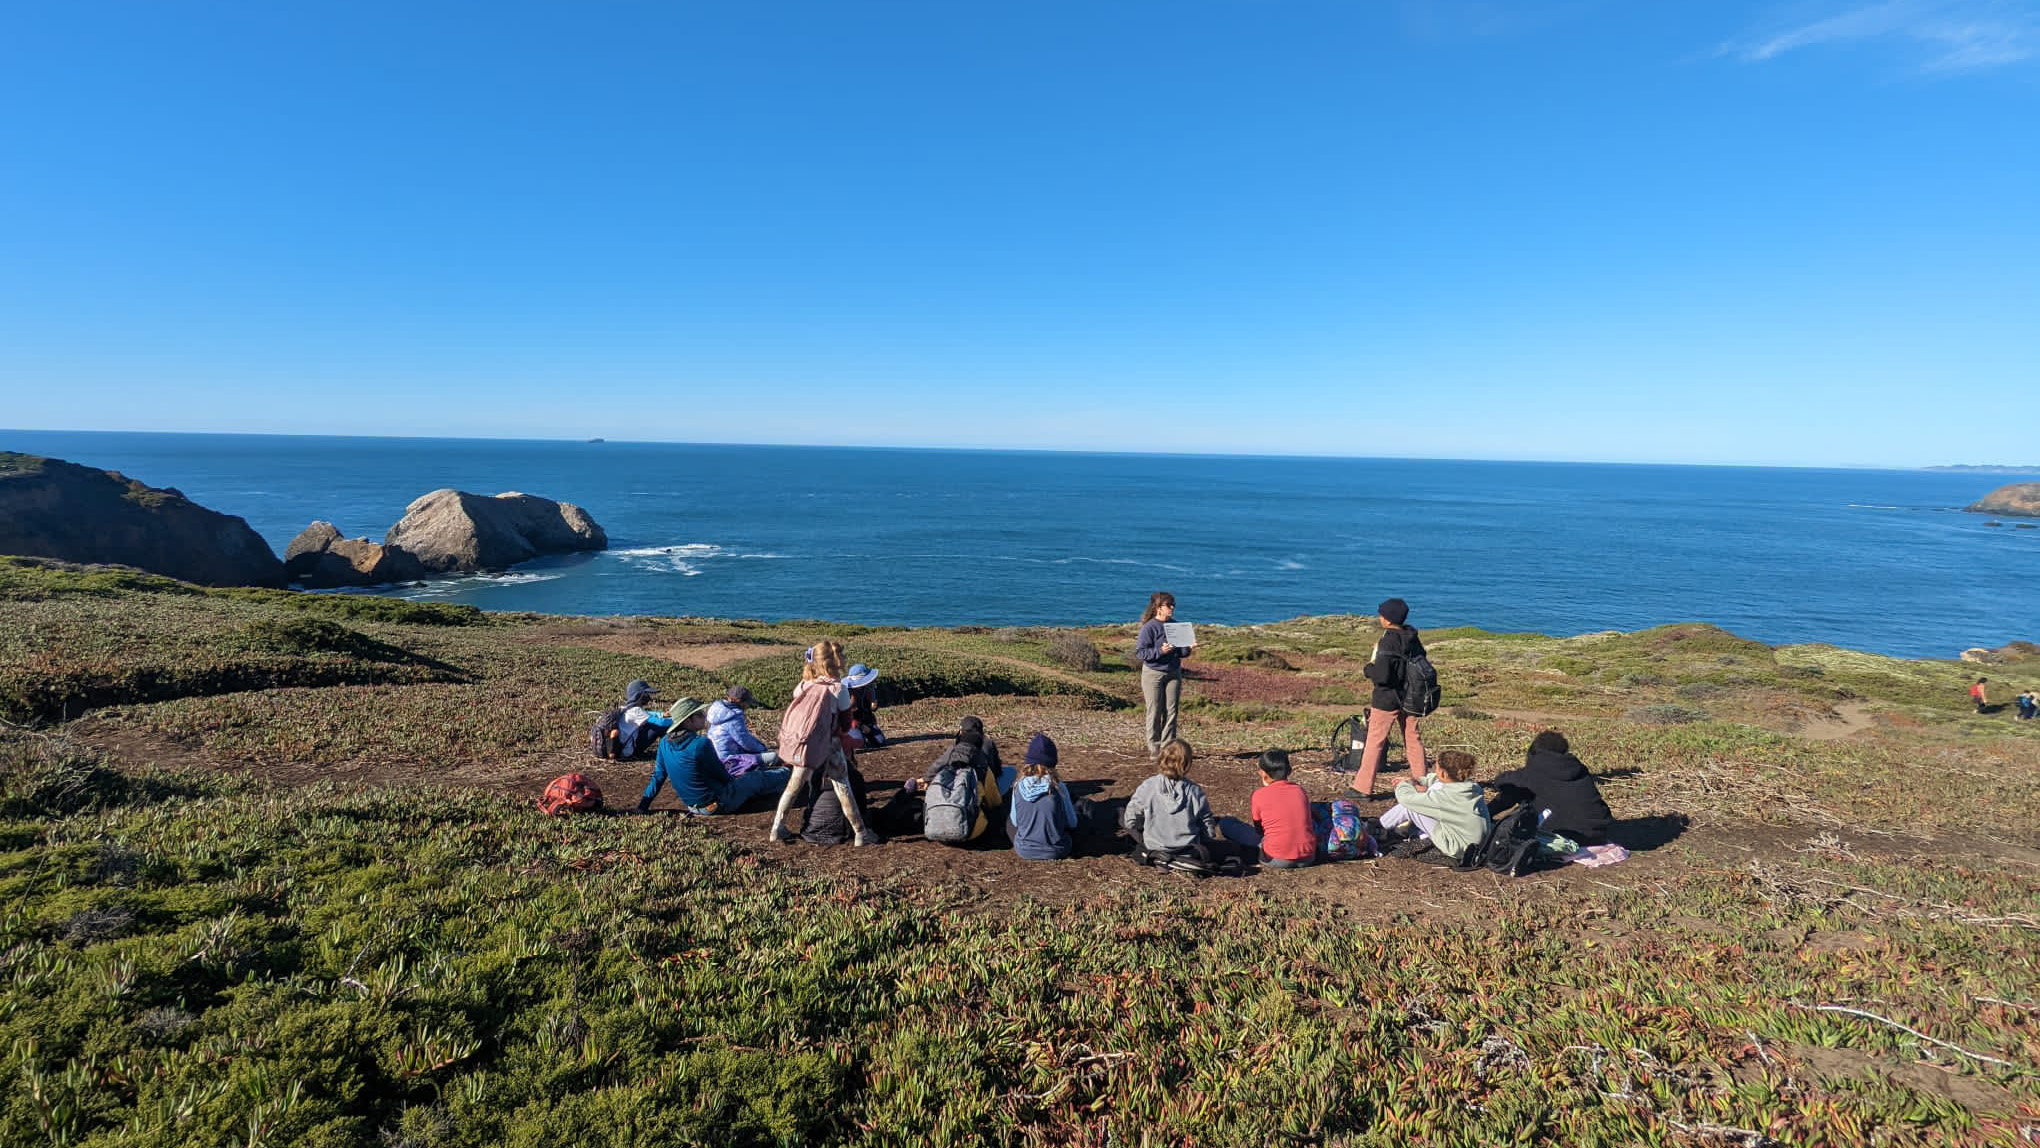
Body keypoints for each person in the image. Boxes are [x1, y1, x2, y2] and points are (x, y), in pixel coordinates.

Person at [767, 641, 883, 846]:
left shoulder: (803, 685)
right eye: (842, 655)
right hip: (830, 745)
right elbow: (845, 725)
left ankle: (777, 828)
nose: (845, 658)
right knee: (843, 788)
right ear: (834, 661)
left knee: (793, 787)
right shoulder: (838, 689)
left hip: (805, 745)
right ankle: (860, 833)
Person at [637, 697, 790, 815]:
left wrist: (643, 806)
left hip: (691, 806)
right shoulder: (700, 744)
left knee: (750, 782)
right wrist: (742, 779)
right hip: (717, 804)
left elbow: (658, 777)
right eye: (700, 714)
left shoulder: (664, 742)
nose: (705, 716)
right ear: (688, 721)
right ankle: (791, 773)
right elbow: (723, 777)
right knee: (756, 778)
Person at [1348, 597, 1429, 799]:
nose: (1379, 617)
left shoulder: (1388, 641)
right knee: (1413, 740)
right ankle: (1422, 785)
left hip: (1387, 698)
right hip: (1411, 697)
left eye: (1381, 614)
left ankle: (1362, 787)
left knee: (1375, 740)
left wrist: (1369, 668)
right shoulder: (1412, 637)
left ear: (1387, 618)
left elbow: (1382, 677)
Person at [1485, 730, 1614, 845]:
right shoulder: (1577, 767)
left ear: (1534, 751)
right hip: (1600, 832)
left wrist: (1495, 795)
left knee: (1517, 789)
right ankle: (1486, 815)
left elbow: (1503, 781)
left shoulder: (1538, 768)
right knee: (1527, 789)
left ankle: (1485, 816)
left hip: (1568, 835)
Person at [1377, 749, 1491, 864]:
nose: (1434, 771)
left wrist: (1404, 784)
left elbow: (1406, 799)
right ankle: (1395, 828)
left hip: (1459, 848)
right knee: (1432, 792)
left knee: (1411, 808)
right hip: (1475, 843)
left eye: (1436, 768)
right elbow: (1438, 781)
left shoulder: (1444, 797)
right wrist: (1417, 780)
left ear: (1443, 773)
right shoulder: (1471, 787)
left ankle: (1378, 828)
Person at [1123, 739, 1222, 864]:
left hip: (1155, 848)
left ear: (1161, 760)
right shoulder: (1194, 791)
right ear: (1187, 764)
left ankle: (1160, 858)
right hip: (1188, 850)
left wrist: (1144, 825)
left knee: (1122, 814)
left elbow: (1130, 822)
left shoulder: (1147, 787)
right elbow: (1207, 825)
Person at [922, 719, 1008, 844]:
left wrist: (925, 779)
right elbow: (994, 802)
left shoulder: (950, 756)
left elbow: (936, 766)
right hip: (968, 832)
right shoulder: (983, 763)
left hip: (934, 829)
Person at [1136, 591, 1196, 758]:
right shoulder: (1149, 628)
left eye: (1173, 604)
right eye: (1168, 605)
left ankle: (1168, 747)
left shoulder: (1176, 626)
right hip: (1153, 673)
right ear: (1158, 607)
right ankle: (1155, 748)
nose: (1172, 608)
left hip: (1173, 672)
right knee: (1154, 710)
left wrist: (1189, 648)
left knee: (1171, 711)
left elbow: (1182, 652)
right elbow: (1141, 653)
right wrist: (1160, 651)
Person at [1010, 734, 1080, 860]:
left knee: (1008, 822)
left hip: (1024, 850)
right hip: (1057, 850)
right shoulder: (1058, 787)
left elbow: (1015, 822)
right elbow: (1072, 823)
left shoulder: (1018, 786)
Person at [1248, 748, 1317, 869]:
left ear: (1263, 773)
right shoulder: (1299, 791)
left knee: (1229, 825)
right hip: (1308, 857)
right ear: (1288, 771)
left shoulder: (1258, 795)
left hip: (1277, 858)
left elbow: (1259, 830)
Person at [706, 685, 779, 776]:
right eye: (747, 703)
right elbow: (745, 742)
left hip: (715, 758)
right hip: (729, 761)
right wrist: (763, 749)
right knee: (773, 756)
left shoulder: (718, 711)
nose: (748, 706)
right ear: (740, 702)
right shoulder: (733, 716)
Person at [614, 680, 671, 759]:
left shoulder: (624, 709)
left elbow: (647, 713)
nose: (648, 697)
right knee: (657, 727)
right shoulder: (637, 711)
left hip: (621, 749)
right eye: (646, 694)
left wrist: (662, 714)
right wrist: (678, 718)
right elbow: (661, 722)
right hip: (629, 752)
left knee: (648, 723)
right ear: (638, 695)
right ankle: (672, 751)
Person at [843, 663, 886, 747]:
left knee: (880, 741)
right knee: (859, 743)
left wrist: (874, 706)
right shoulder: (847, 692)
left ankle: (864, 736)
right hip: (851, 723)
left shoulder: (869, 688)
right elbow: (844, 714)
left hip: (866, 720)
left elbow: (871, 707)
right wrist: (860, 725)